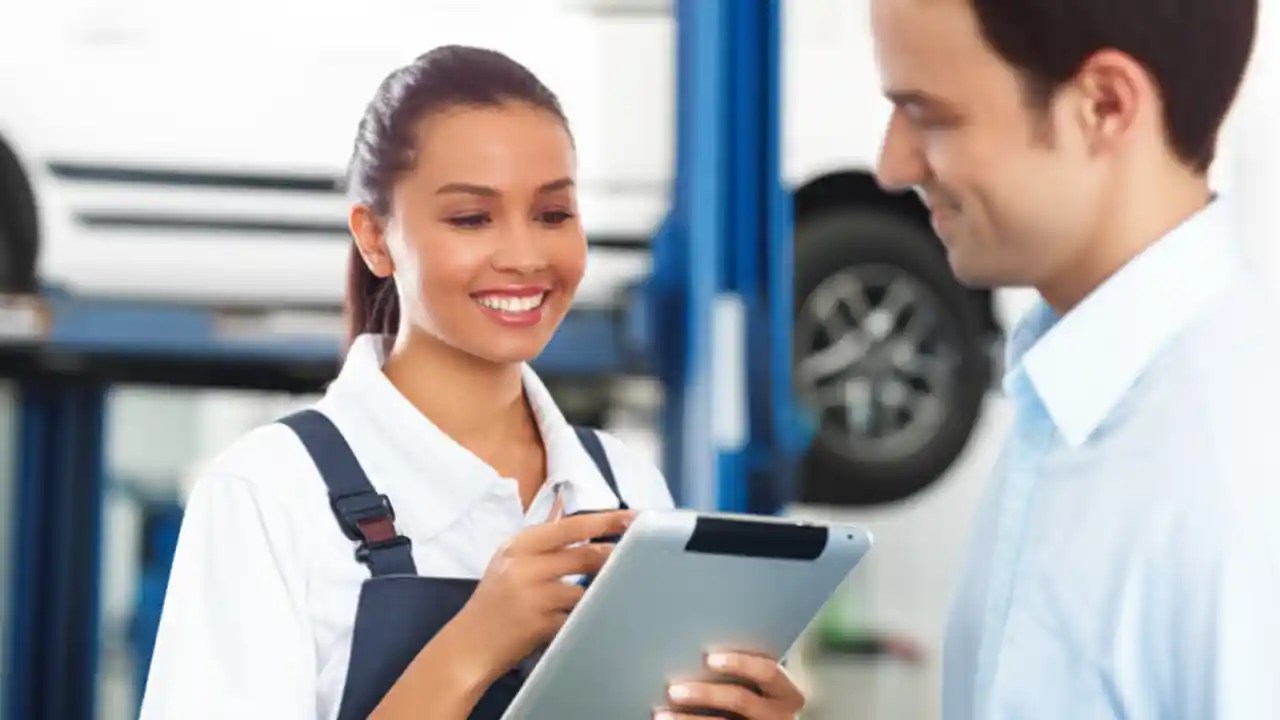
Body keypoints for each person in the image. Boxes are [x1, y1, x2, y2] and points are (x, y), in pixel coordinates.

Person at [139, 46, 805, 720]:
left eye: (552, 215)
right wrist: (472, 647)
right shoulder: (269, 495)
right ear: (375, 237)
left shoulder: (625, 487)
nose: (523, 256)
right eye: (471, 219)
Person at [870, 0, 1280, 718]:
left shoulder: (1235, 482)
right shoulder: (1068, 405)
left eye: (928, 114)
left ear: (1104, 105)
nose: (891, 164)